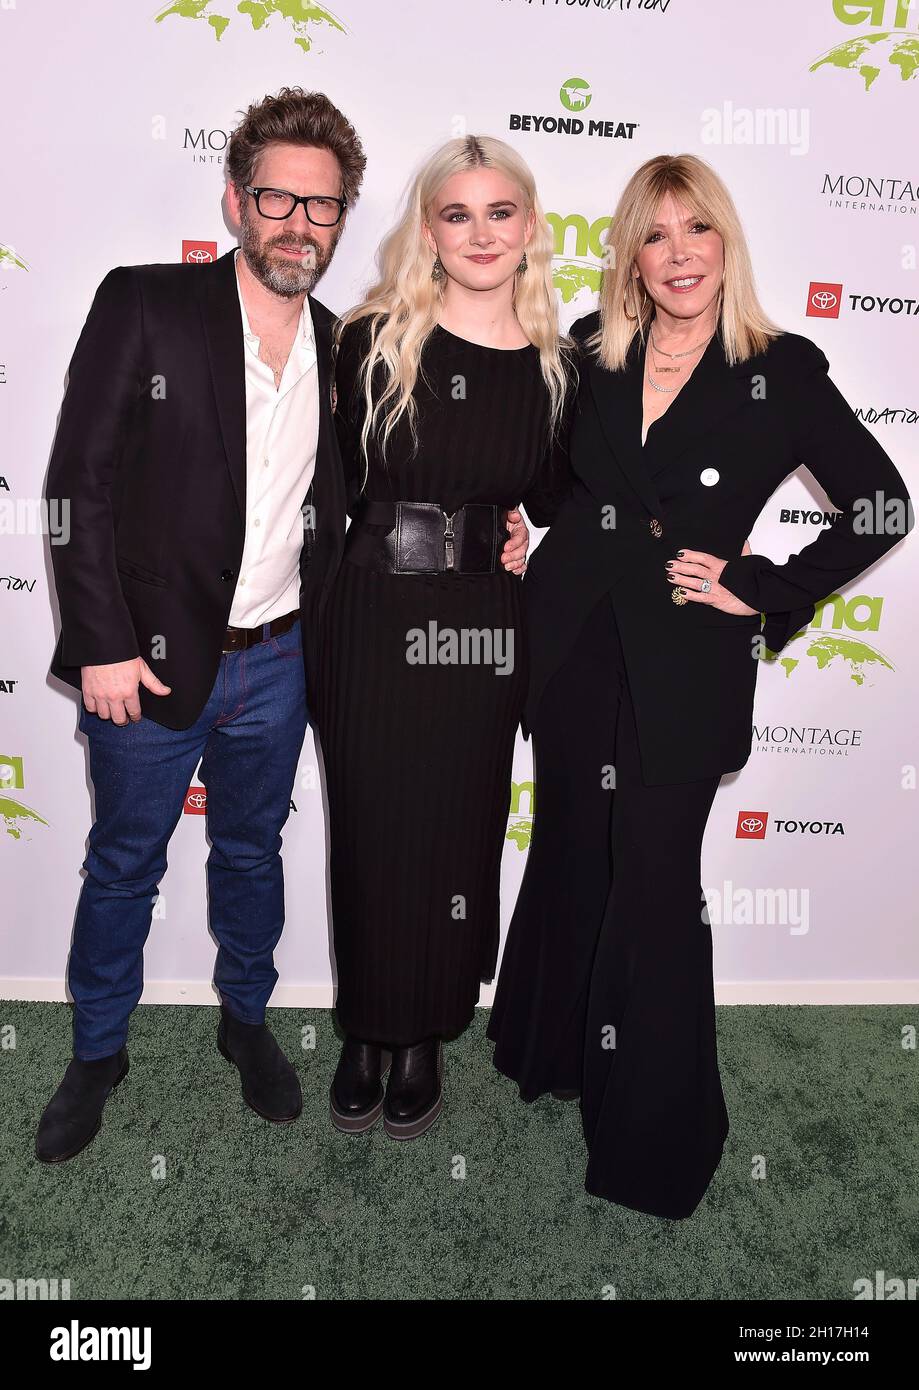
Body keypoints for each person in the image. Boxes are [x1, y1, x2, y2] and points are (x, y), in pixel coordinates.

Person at [488, 153, 913, 1218]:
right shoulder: (589, 349)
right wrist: (515, 522)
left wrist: (762, 588)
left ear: (725, 243)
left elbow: (880, 504)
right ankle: (560, 1055)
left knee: (654, 878)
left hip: (682, 655)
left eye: (697, 231)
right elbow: (552, 477)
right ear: (629, 251)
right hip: (574, 637)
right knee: (577, 844)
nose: (677, 255)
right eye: (655, 234)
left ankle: (654, 1141)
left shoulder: (778, 369)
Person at [36, 88, 365, 1162]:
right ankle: (96, 1052)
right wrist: (100, 643)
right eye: (277, 197)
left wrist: (499, 529)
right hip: (145, 659)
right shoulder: (145, 304)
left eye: (322, 207)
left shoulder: (344, 346)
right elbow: (74, 487)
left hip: (279, 663)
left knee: (251, 852)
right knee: (125, 860)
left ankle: (246, 1021)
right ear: (235, 198)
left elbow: (377, 498)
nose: (298, 224)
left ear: (340, 219)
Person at [318, 135, 572, 1140]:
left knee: (460, 825)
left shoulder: (558, 365)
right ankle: (366, 1028)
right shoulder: (369, 337)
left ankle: (424, 1031)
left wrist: (516, 533)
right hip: (372, 616)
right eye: (456, 213)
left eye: (498, 212)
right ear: (428, 228)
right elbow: (326, 482)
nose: (479, 232)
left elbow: (554, 497)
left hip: (482, 628)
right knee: (373, 828)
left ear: (528, 228)